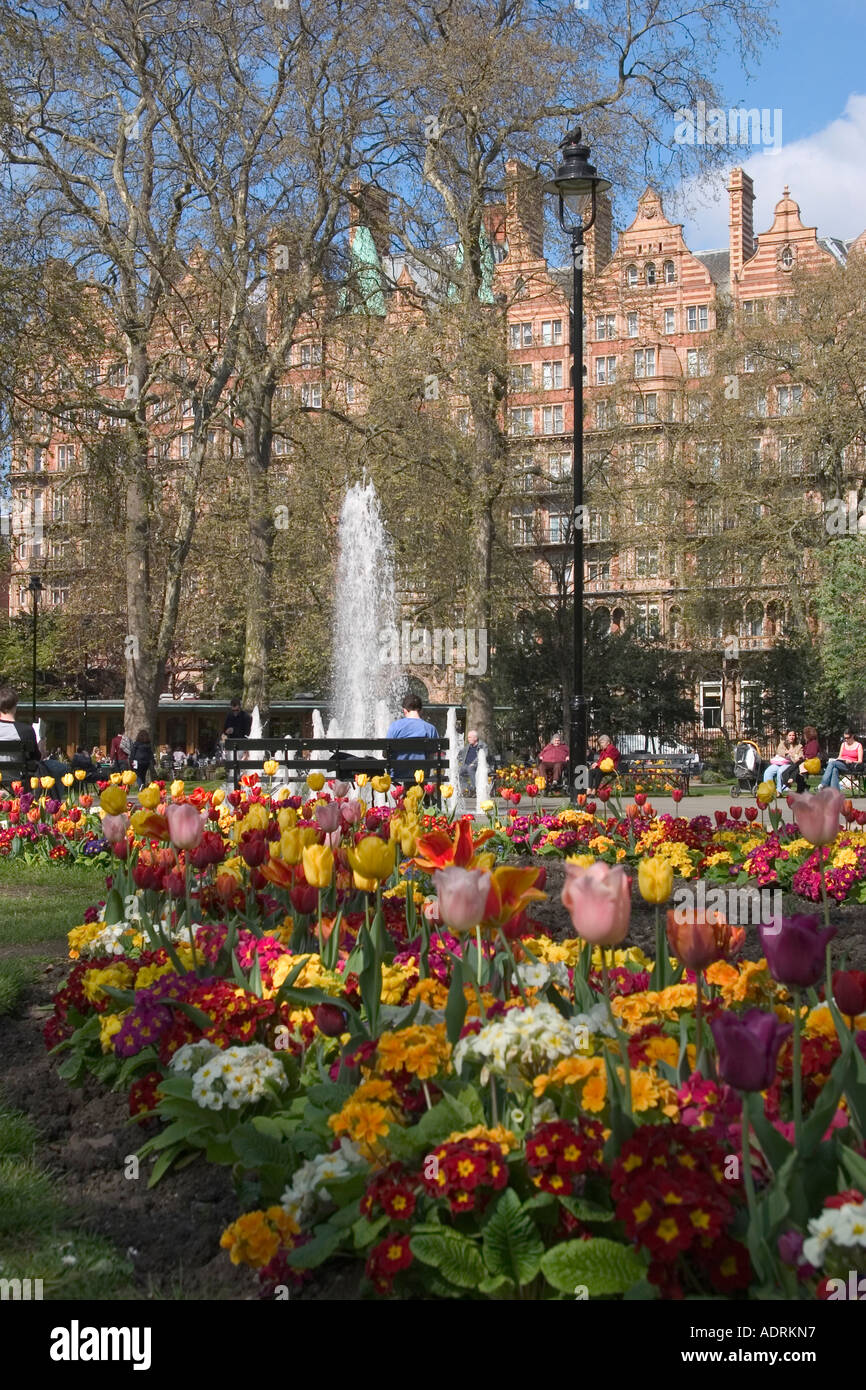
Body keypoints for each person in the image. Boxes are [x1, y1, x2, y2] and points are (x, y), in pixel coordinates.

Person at [386, 694, 440, 786]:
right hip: (421, 774)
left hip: (398, 773)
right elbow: (434, 752)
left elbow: (386, 752)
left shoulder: (395, 726)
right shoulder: (430, 728)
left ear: (405, 710)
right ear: (420, 710)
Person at [0, 685, 41, 778]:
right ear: (15, 706)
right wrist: (42, 748)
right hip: (16, 782)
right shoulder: (26, 730)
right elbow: (35, 758)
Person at [457, 729, 487, 796]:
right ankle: (467, 789)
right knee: (459, 771)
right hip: (466, 765)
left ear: (475, 738)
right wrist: (460, 761)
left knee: (470, 769)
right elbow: (460, 754)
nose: (468, 739)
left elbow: (483, 756)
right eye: (468, 737)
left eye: (470, 737)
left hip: (477, 765)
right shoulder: (468, 746)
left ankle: (475, 789)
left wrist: (474, 763)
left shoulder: (482, 745)